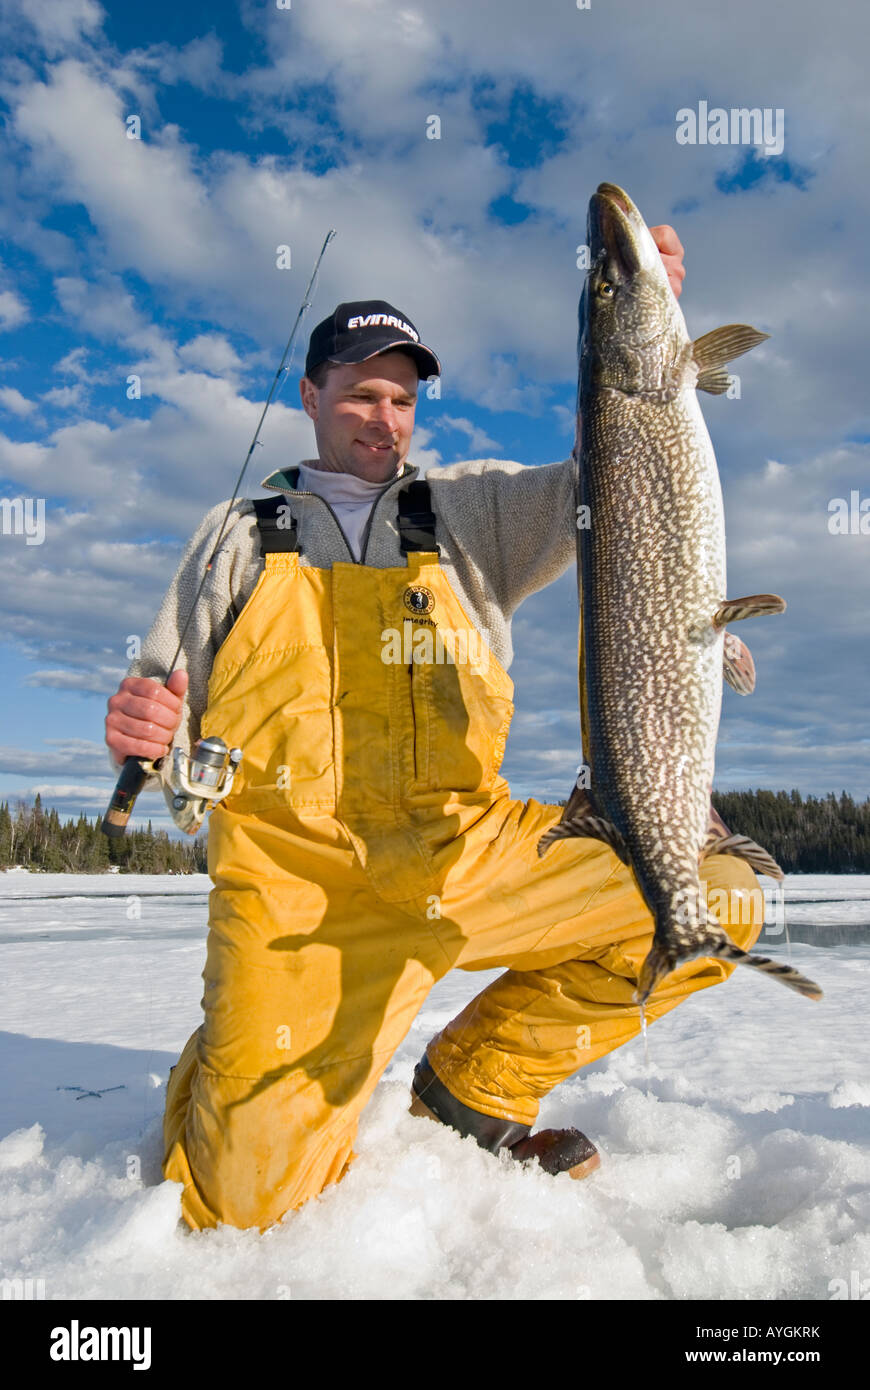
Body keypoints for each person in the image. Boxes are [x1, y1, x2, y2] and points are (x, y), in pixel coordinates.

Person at [105, 227, 762, 1232]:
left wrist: (641, 335)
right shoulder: (236, 537)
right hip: (300, 887)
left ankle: (475, 1086)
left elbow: (615, 482)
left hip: (468, 852)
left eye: (403, 398)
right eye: (363, 393)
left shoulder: (468, 510)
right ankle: (238, 1047)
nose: (385, 417)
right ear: (312, 397)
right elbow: (160, 722)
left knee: (710, 895)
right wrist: (140, 731)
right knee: (240, 1208)